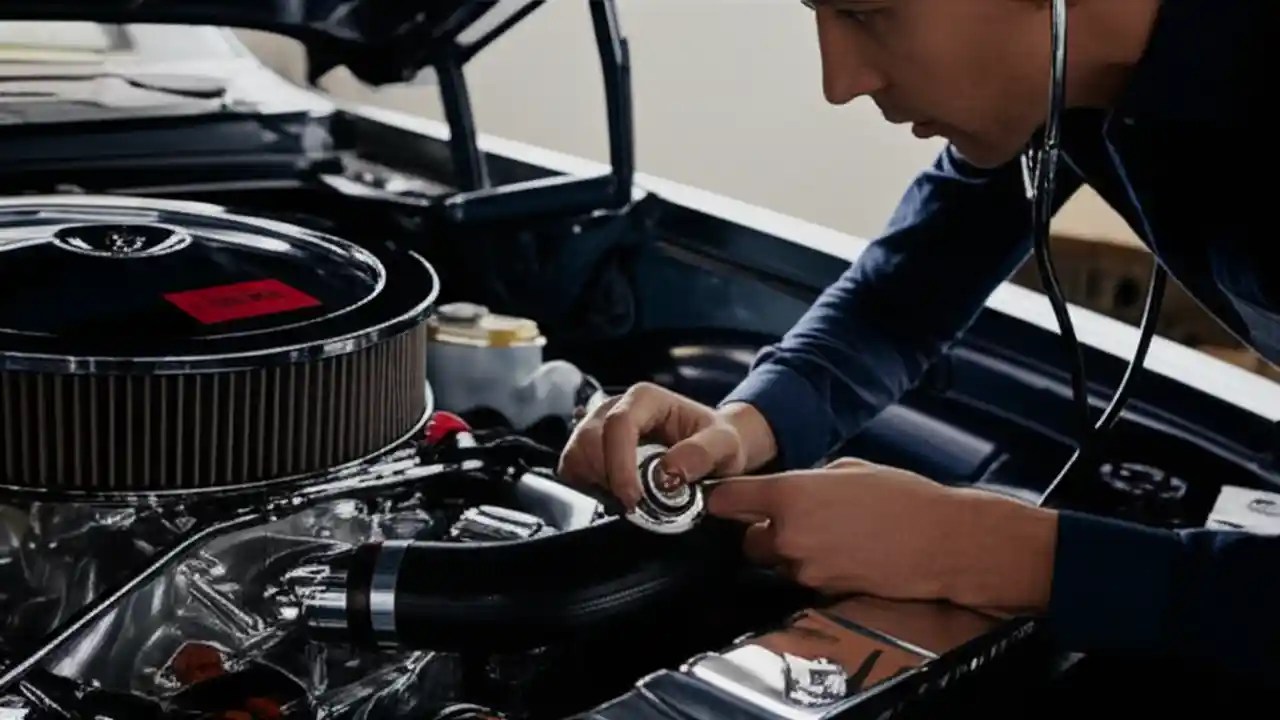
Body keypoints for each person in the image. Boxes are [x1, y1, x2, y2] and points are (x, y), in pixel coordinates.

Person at [558, 0, 1275, 680]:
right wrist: (746, 428)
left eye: (867, 12)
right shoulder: (1060, 77)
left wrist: (990, 552)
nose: (840, 82)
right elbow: (901, 297)